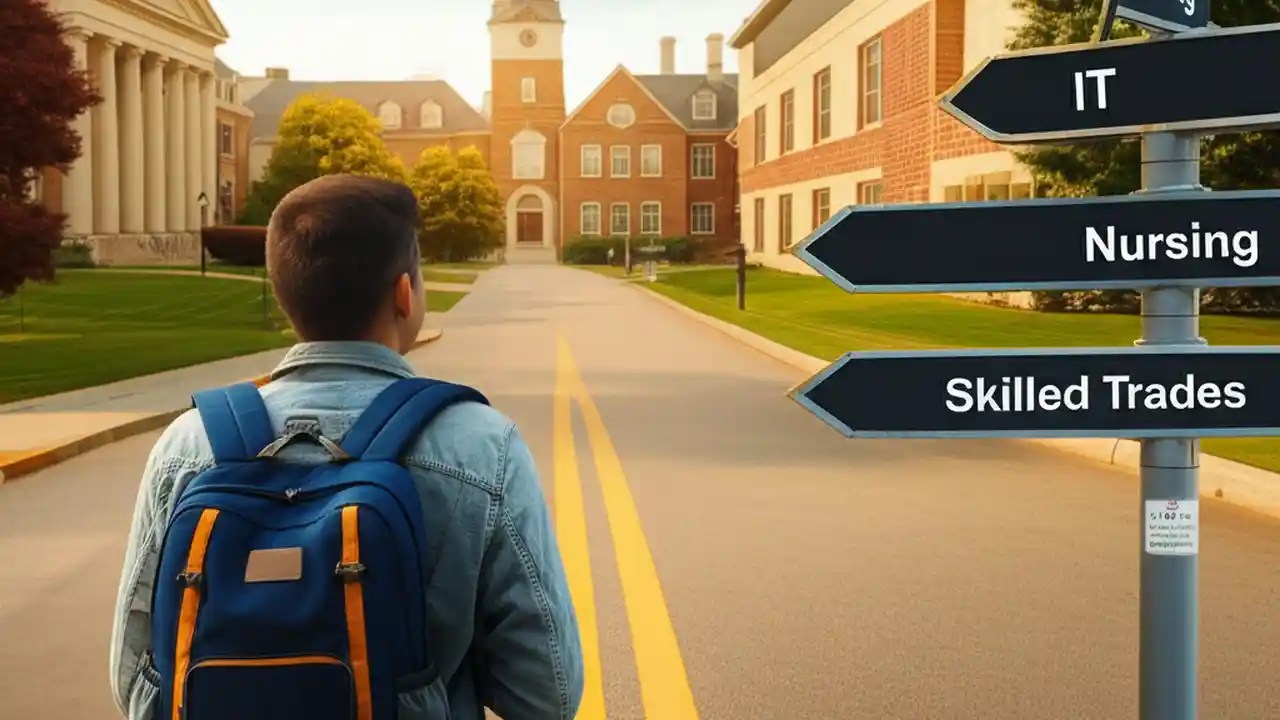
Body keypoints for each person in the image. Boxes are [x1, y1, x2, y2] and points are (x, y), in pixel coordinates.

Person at [108, 174, 584, 720]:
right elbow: (548, 693)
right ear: (405, 294)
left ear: (287, 296)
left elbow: (135, 681)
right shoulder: (480, 445)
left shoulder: (188, 445)